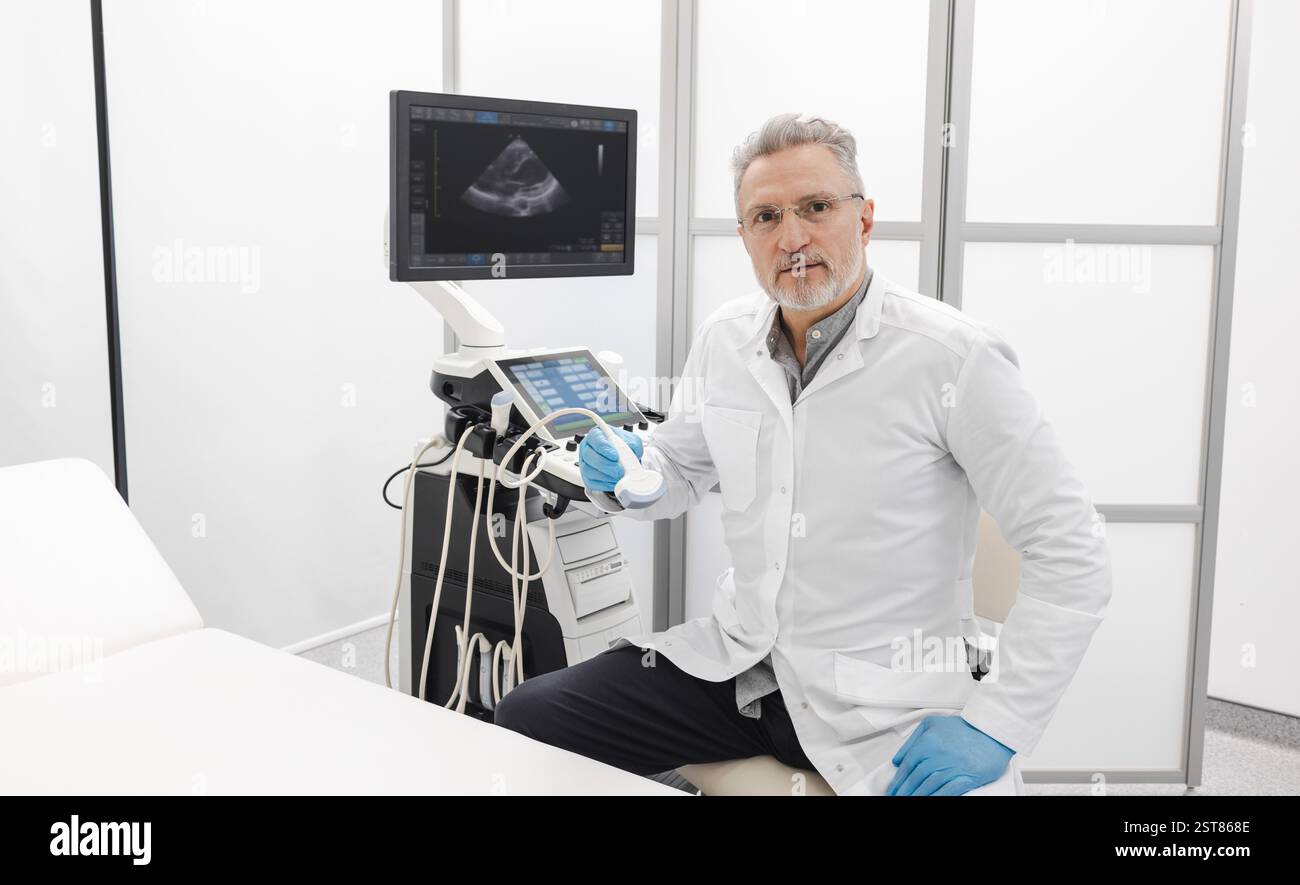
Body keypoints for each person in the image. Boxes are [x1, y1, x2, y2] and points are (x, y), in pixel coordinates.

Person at [494, 112, 1112, 796]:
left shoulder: (954, 358)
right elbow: (680, 469)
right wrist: (633, 475)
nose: (792, 237)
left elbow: (1072, 548)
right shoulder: (726, 339)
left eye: (815, 207)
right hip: (737, 668)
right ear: (744, 236)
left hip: (885, 704)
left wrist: (997, 724)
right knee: (526, 720)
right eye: (766, 217)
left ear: (865, 218)